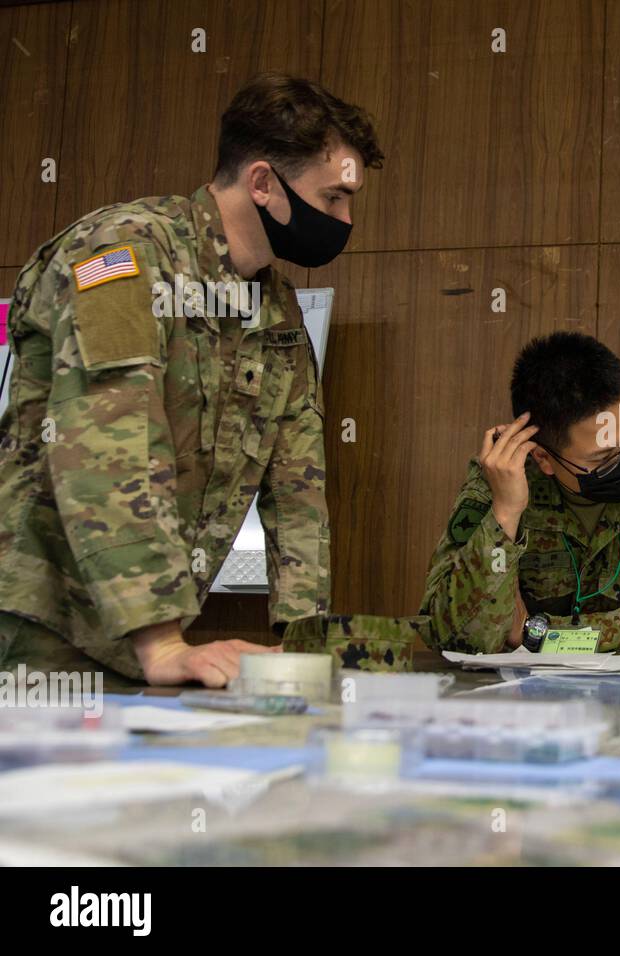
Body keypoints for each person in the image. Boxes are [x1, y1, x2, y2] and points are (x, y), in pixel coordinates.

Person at [0, 73, 383, 688]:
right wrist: (161, 642)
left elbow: (297, 488)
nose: (344, 219)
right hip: (39, 627)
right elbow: (109, 444)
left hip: (145, 646)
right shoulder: (126, 253)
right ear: (263, 182)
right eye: (333, 198)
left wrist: (304, 647)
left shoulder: (276, 308)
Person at [422, 331, 620, 656]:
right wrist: (504, 515)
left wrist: (535, 634)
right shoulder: (502, 473)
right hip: (525, 699)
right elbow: (450, 634)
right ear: (543, 458)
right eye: (604, 457)